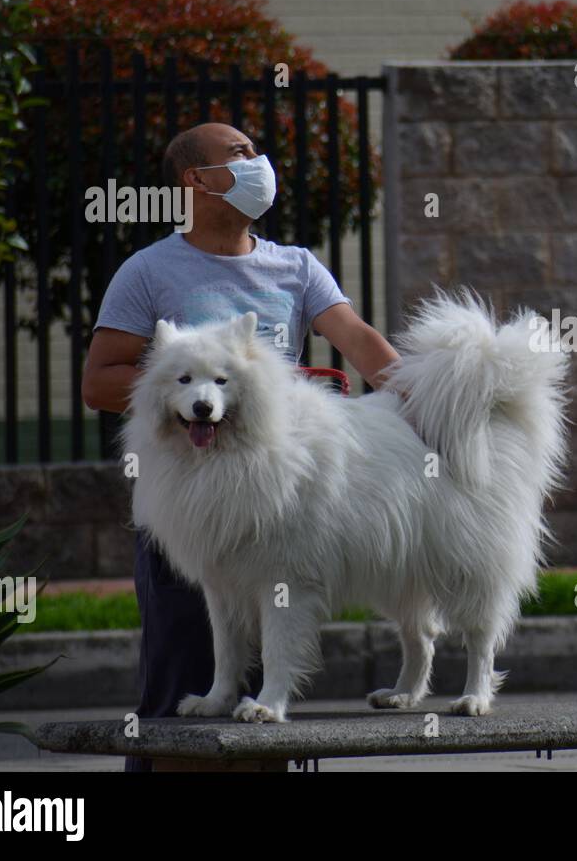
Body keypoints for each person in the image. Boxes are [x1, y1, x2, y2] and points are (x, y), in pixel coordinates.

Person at [81, 122, 400, 771]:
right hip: (184, 504)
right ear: (196, 181)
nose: (260, 163)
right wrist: (184, 393)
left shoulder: (296, 266)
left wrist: (425, 405)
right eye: (241, 154)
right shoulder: (148, 272)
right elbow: (100, 379)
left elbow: (362, 344)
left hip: (274, 499)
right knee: (181, 679)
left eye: (256, 151)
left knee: (256, 710)